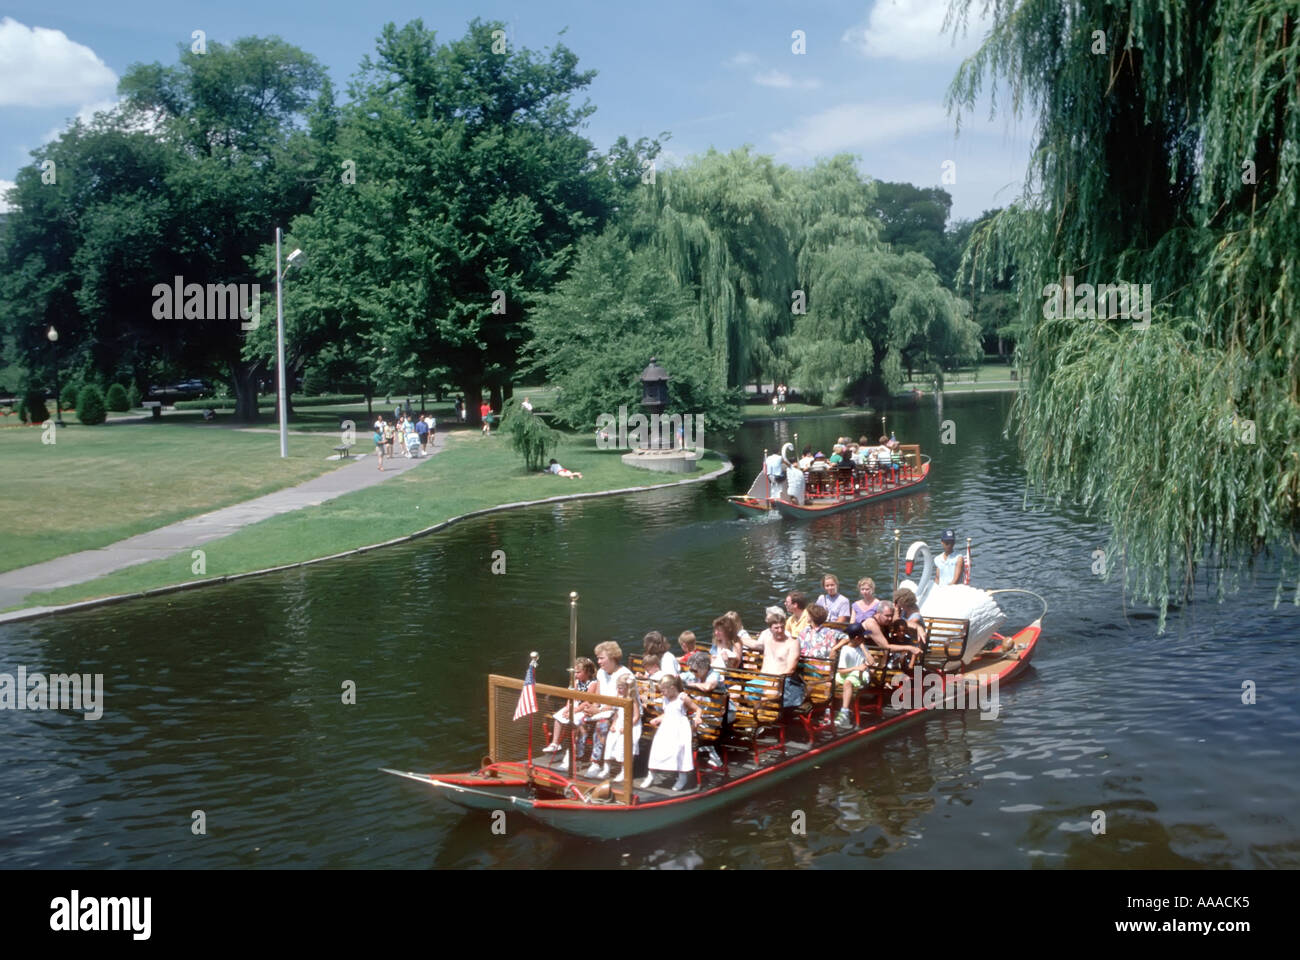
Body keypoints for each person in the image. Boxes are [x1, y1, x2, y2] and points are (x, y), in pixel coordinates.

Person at [640, 674, 701, 791]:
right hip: (667, 727)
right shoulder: (666, 699)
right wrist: (658, 718)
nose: (662, 693)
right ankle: (651, 774)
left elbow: (697, 709)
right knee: (657, 748)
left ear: (672, 688)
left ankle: (682, 777)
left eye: (664, 690)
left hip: (679, 727)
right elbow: (668, 713)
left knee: (679, 749)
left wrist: (697, 718)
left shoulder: (682, 698)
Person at [586, 641, 634, 778]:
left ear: (612, 658)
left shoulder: (625, 675)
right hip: (603, 709)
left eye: (601, 658)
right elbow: (599, 694)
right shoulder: (601, 672)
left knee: (602, 724)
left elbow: (619, 702)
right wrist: (594, 706)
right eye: (598, 658)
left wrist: (599, 711)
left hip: (620, 712)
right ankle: (574, 756)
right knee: (579, 720)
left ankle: (596, 762)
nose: (598, 661)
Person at [543, 657, 598, 753]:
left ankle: (577, 746)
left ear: (587, 672)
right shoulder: (576, 682)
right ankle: (555, 743)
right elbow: (571, 697)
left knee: (576, 720)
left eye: (578, 672)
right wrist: (567, 709)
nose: (575, 675)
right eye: (575, 672)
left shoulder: (593, 683)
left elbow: (587, 702)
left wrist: (573, 711)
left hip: (585, 708)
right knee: (558, 717)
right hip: (575, 704)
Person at [680, 651, 724, 769]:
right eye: (691, 670)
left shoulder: (714, 675)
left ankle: (715, 757)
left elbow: (708, 687)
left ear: (704, 668)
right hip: (705, 713)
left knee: (693, 728)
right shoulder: (693, 675)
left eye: (694, 670)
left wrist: (692, 685)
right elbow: (676, 678)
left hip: (720, 714)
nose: (692, 673)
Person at [861, 602, 923, 671]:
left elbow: (903, 622)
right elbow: (886, 647)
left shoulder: (886, 620)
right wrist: (910, 648)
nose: (890, 619)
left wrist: (919, 628)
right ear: (878, 613)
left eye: (891, 615)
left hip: (883, 656)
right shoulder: (871, 624)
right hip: (867, 657)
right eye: (887, 616)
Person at [760, 614, 803, 709]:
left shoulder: (793, 643)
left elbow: (791, 669)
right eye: (776, 628)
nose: (780, 630)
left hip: (780, 681)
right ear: (770, 629)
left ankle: (764, 720)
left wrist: (777, 680)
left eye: (782, 627)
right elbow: (754, 645)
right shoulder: (767, 640)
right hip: (762, 679)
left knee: (768, 694)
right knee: (735, 692)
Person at [604, 675, 641, 782]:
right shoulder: (619, 697)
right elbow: (617, 712)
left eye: (621, 688)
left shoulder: (632, 700)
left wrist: (627, 727)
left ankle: (624, 771)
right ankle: (607, 768)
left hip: (631, 725)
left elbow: (637, 716)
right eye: (618, 687)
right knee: (610, 741)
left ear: (628, 688)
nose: (618, 690)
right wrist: (614, 723)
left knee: (622, 745)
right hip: (619, 722)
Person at [833, 623, 871, 728]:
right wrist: (856, 668)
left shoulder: (862, 648)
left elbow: (871, 662)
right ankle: (828, 710)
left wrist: (863, 647)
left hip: (861, 675)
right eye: (863, 636)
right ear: (857, 638)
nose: (865, 638)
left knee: (848, 682)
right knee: (831, 682)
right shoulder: (846, 650)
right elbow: (841, 671)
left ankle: (844, 712)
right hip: (850, 672)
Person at [892, 587, 929, 652]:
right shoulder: (905, 610)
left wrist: (896, 611)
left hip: (913, 643)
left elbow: (898, 623)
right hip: (903, 639)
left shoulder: (915, 615)